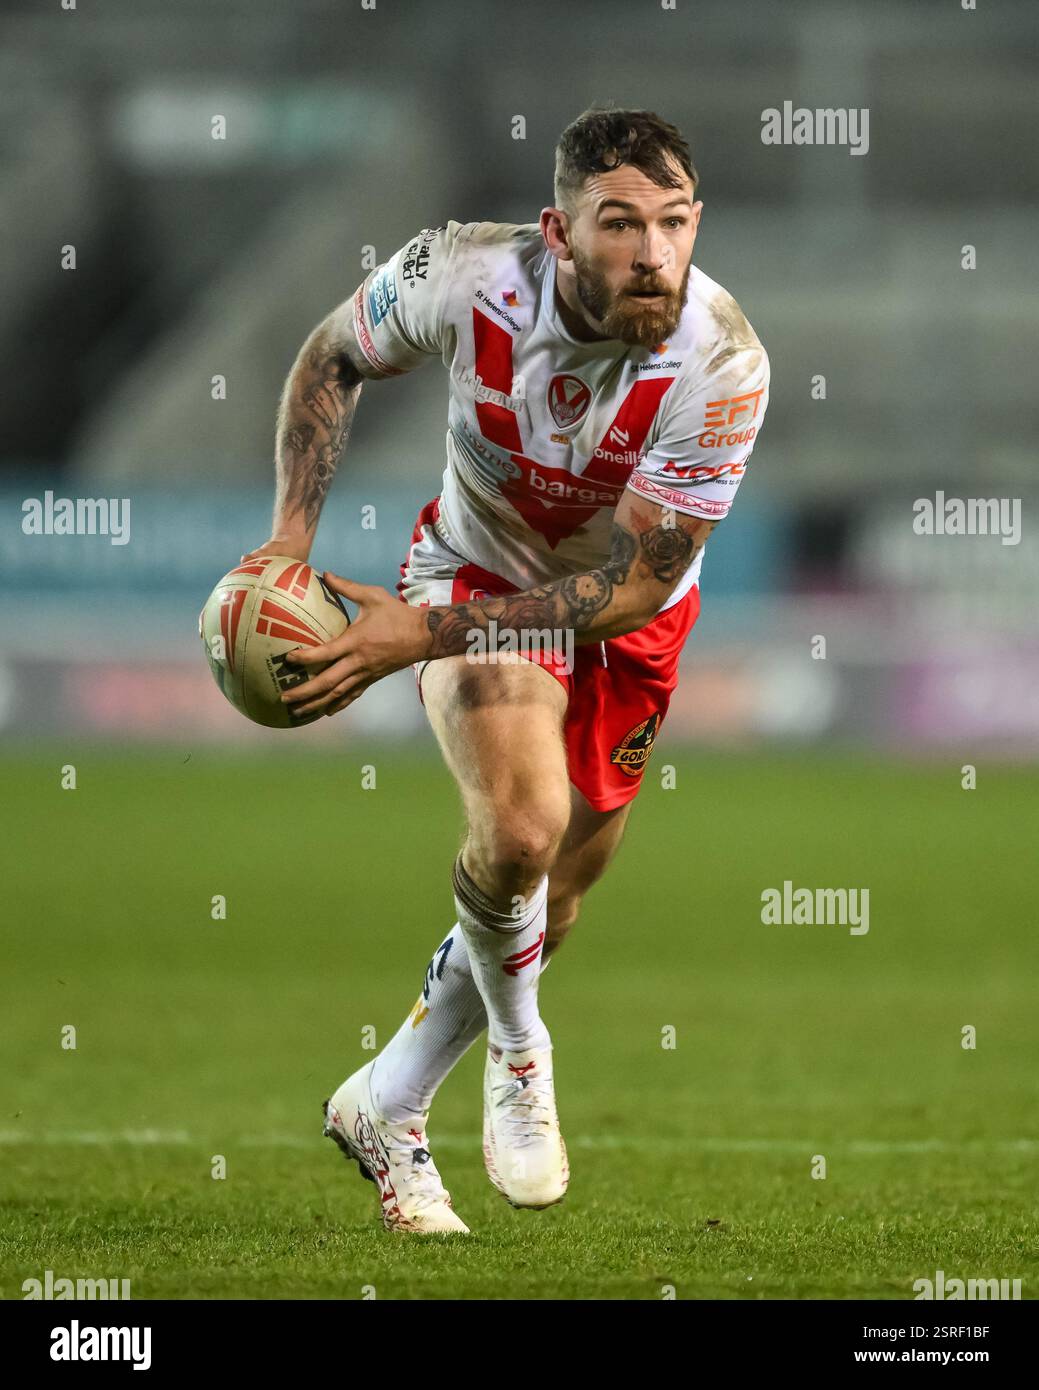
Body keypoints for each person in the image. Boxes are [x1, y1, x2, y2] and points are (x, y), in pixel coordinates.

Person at [243, 107, 770, 1234]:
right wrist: (292, 539)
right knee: (522, 830)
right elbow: (332, 353)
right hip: (472, 577)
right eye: (619, 223)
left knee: (553, 894)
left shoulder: (720, 360)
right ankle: (523, 1052)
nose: (653, 252)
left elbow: (632, 585)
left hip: (630, 619)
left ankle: (384, 1101)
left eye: (673, 223)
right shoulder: (464, 275)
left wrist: (408, 641)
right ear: (558, 231)